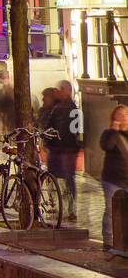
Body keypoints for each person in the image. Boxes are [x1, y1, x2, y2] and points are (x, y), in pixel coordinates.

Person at [48, 83, 82, 220]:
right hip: (59, 149)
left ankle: (70, 208)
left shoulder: (72, 110)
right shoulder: (57, 108)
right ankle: (56, 205)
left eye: (62, 90)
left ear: (68, 91)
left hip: (66, 150)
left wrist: (73, 147)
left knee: (68, 178)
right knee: (54, 177)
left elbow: (77, 132)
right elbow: (50, 126)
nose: (60, 92)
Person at [99, 105, 128, 250]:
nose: (123, 117)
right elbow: (107, 146)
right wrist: (114, 131)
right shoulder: (108, 134)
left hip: (126, 178)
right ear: (114, 118)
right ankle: (108, 241)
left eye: (125, 114)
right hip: (112, 178)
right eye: (120, 115)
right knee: (110, 210)